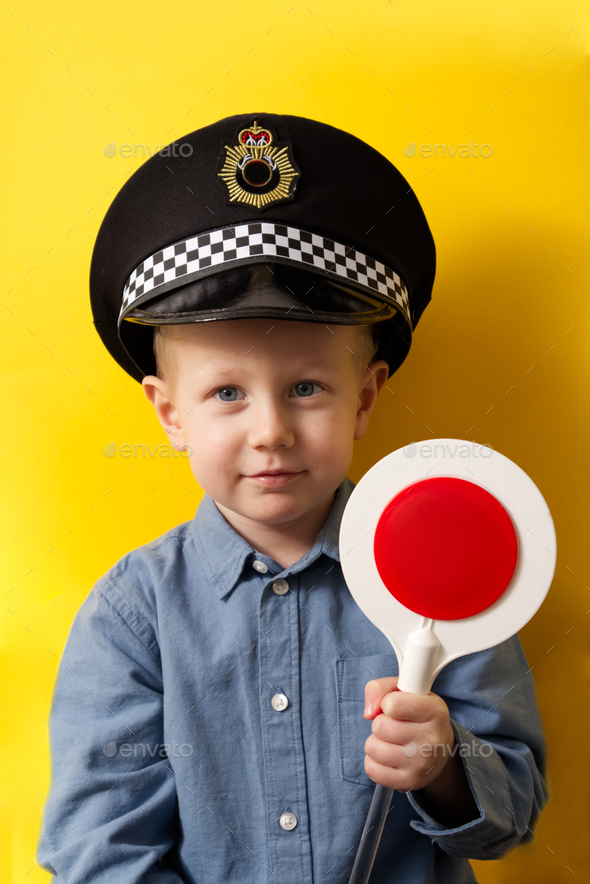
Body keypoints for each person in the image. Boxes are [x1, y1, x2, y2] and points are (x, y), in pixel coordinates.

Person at [36, 112, 548, 884]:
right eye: (227, 393)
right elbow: (100, 850)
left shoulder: (447, 579)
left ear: (366, 398)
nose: (271, 431)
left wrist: (445, 764)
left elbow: (513, 814)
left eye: (307, 387)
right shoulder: (131, 619)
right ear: (170, 414)